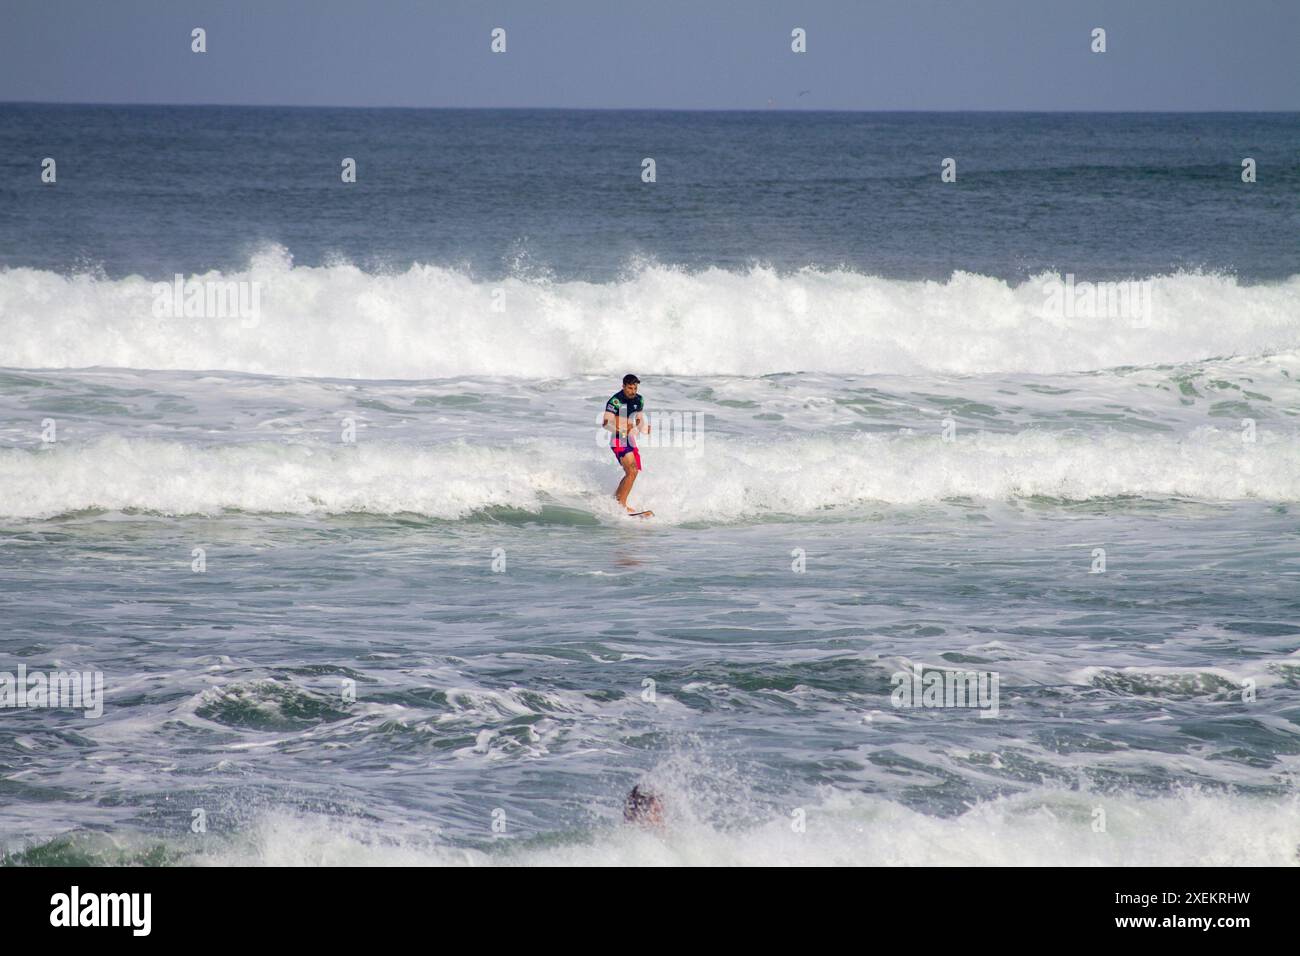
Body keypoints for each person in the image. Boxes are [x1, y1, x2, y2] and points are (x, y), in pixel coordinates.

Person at [603, 374, 650, 512]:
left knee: (632, 473)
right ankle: (621, 505)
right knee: (632, 471)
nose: (633, 391)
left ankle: (616, 500)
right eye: (630, 388)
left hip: (629, 438)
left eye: (635, 388)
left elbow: (639, 419)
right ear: (623, 386)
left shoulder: (639, 399)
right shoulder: (615, 401)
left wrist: (643, 428)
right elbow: (605, 424)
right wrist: (621, 428)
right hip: (618, 437)